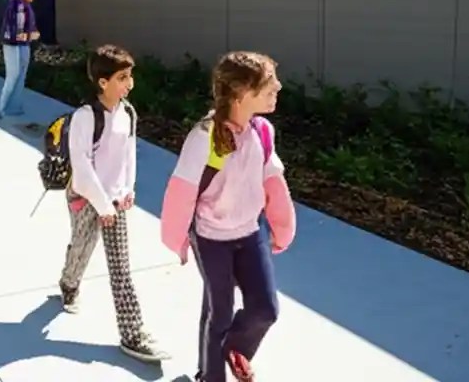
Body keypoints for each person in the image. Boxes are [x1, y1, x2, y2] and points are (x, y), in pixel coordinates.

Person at [159, 51, 296, 382]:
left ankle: (234, 350)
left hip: (250, 233)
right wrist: (177, 240)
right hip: (211, 239)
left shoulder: (262, 131)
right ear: (242, 92)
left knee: (265, 310)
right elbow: (181, 192)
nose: (278, 86)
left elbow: (273, 182)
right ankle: (211, 376)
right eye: (269, 83)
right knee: (219, 313)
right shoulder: (206, 136)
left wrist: (281, 227)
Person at [57, 44, 169, 364]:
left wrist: (127, 189)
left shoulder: (128, 112)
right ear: (102, 82)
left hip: (115, 201)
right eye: (122, 77)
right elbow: (82, 166)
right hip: (86, 197)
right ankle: (69, 283)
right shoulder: (85, 116)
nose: (129, 83)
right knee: (82, 246)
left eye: (129, 76)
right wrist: (103, 204)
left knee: (120, 268)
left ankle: (132, 333)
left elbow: (129, 154)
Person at [0, 0, 39, 118]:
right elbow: (14, 28)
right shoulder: (16, 5)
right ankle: (4, 108)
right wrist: (28, 35)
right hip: (13, 45)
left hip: (23, 45)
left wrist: (31, 35)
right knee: (13, 75)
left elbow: (28, 27)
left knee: (21, 75)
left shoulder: (26, 6)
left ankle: (14, 107)